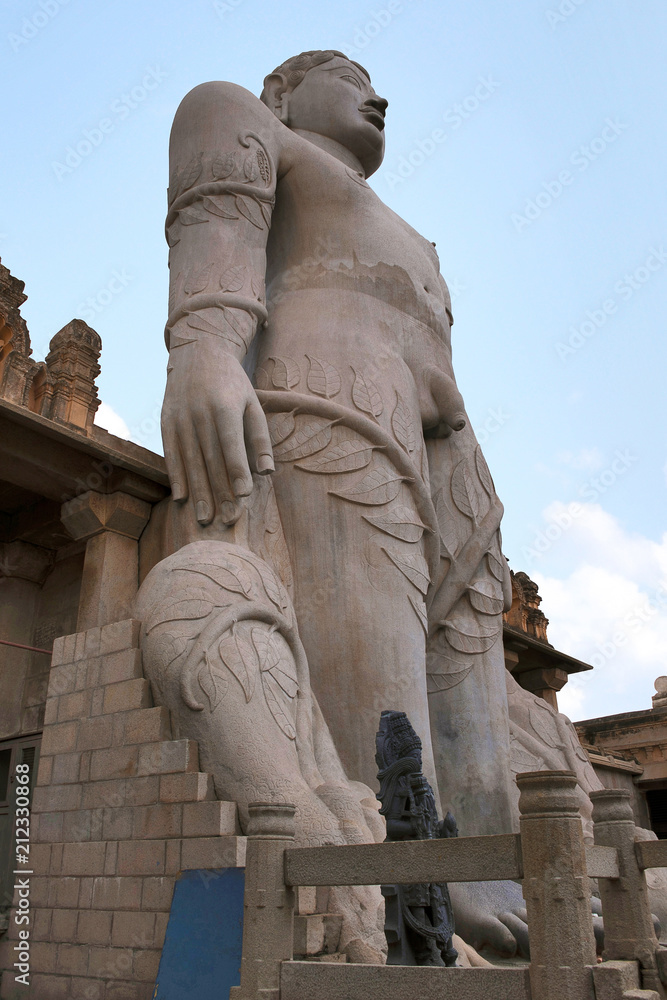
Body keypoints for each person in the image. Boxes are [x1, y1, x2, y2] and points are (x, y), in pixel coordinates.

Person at [153, 49, 531, 957]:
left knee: (469, 672)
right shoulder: (245, 116)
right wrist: (205, 348)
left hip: (448, 446)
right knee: (371, 643)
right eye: (350, 76)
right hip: (334, 396)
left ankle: (491, 865)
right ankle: (404, 873)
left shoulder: (409, 230)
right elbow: (219, 228)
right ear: (284, 91)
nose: (376, 95)